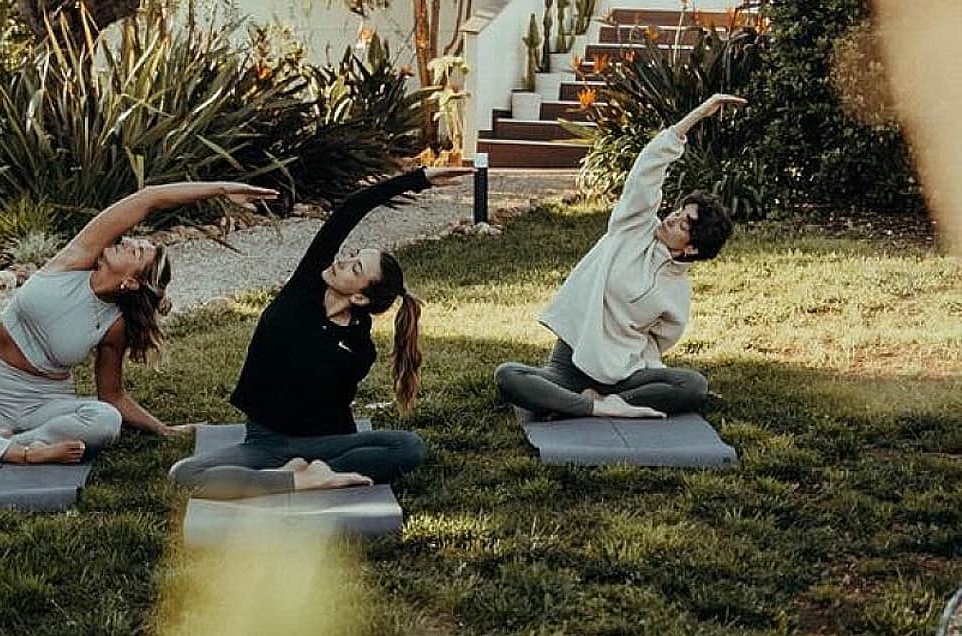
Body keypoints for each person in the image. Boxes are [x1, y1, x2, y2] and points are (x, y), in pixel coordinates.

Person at [0, 181, 277, 464]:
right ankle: (17, 451)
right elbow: (147, 198)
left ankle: (12, 443)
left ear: (131, 281)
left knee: (104, 421)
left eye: (138, 251)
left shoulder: (114, 324)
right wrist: (221, 190)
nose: (130, 241)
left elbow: (113, 397)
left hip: (47, 407)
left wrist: (163, 429)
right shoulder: (74, 260)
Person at [168, 166, 472, 498]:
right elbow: (351, 209)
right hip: (266, 442)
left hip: (323, 445)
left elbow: (336, 410)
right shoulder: (303, 290)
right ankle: (302, 480)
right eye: (352, 256)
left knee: (409, 446)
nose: (343, 261)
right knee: (186, 473)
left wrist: (339, 450)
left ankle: (314, 473)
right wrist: (420, 178)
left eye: (355, 267)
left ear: (358, 297)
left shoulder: (359, 346)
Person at [495, 94, 743, 420]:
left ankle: (585, 403)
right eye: (678, 211)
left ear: (692, 248)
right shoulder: (634, 227)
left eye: (683, 223)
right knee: (508, 376)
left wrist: (638, 363)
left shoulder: (677, 291)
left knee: (693, 385)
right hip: (570, 363)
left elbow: (661, 339)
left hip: (624, 375)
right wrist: (697, 115)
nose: (671, 218)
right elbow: (647, 170)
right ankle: (596, 407)